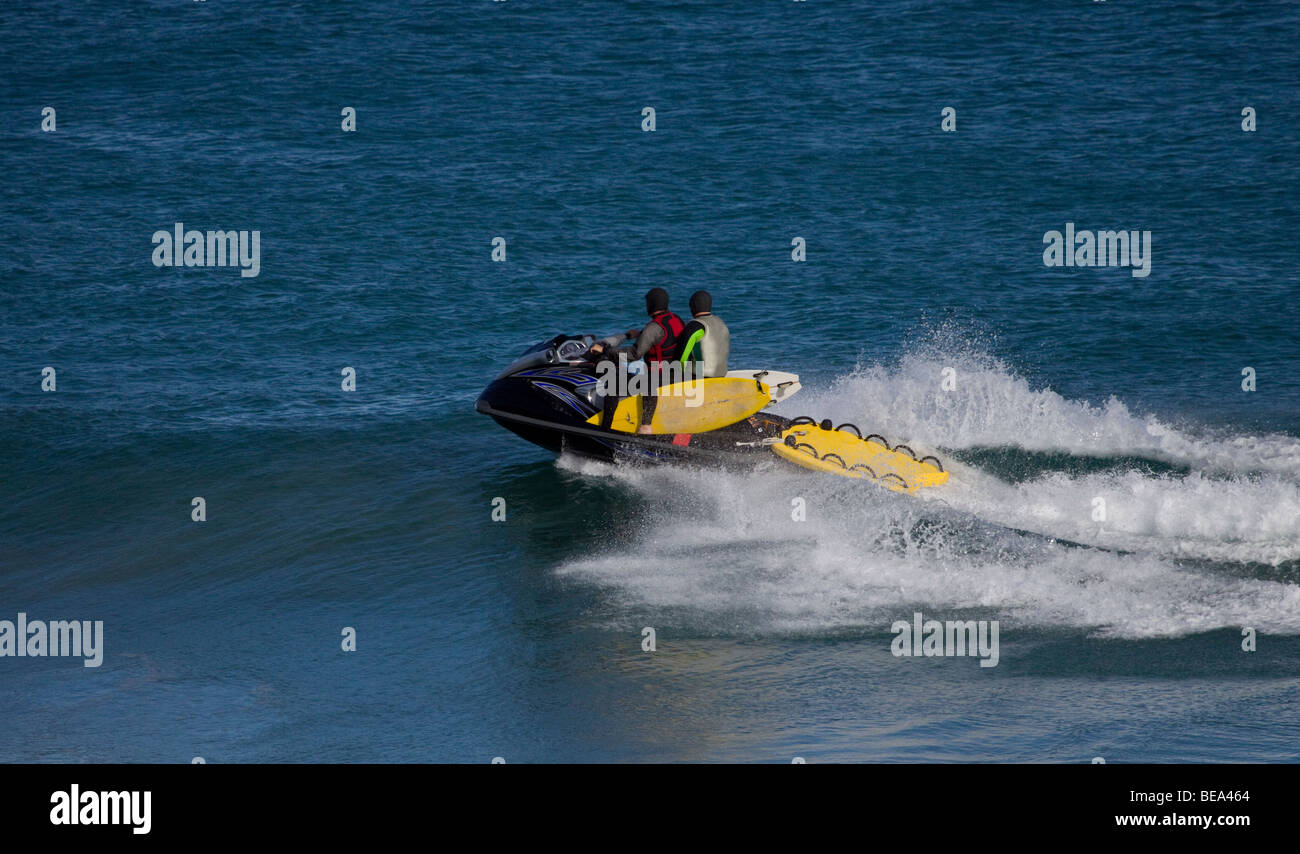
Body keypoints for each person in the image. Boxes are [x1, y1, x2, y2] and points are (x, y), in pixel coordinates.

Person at [588, 287, 685, 433]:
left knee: (613, 384)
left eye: (647, 303)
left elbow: (634, 354)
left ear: (652, 304)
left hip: (657, 379)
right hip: (675, 374)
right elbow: (665, 338)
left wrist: (605, 350)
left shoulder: (653, 328)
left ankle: (605, 430)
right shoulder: (676, 319)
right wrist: (640, 334)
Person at [675, 290, 730, 378]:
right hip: (721, 375)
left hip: (699, 377)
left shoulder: (695, 326)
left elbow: (682, 358)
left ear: (693, 307)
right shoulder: (721, 324)